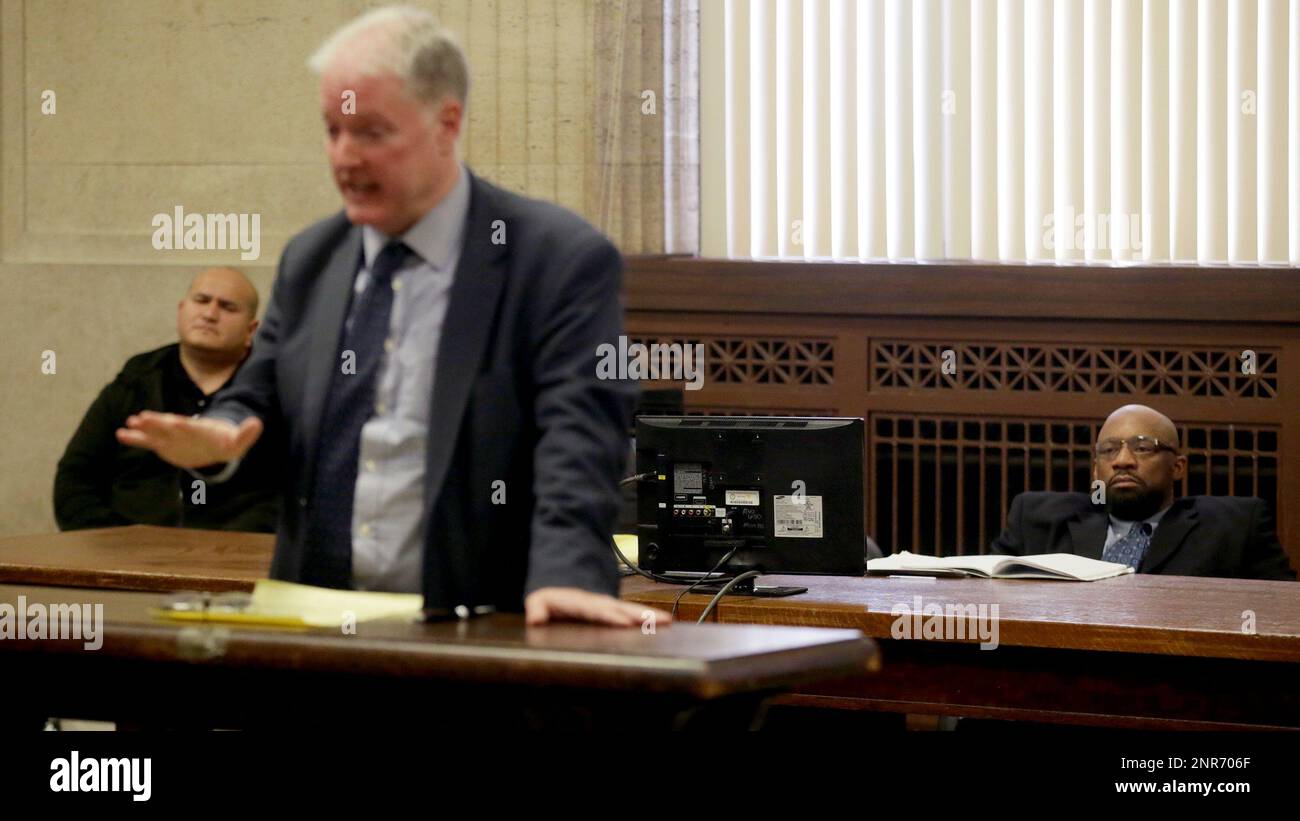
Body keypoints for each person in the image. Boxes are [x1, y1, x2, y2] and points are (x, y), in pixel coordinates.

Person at [117, 6, 671, 627]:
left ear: (446, 124)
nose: (344, 157)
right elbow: (259, 390)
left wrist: (567, 571)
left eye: (371, 132)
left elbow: (580, 433)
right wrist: (221, 433)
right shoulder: (313, 257)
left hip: (482, 629)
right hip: (317, 628)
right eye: (332, 130)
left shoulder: (554, 257)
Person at [54, 267, 280, 532]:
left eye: (228, 307)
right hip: (128, 553)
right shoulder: (137, 379)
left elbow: (301, 492)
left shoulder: (273, 388)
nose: (210, 314)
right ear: (182, 309)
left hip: (240, 559)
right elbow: (76, 477)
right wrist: (108, 543)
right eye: (202, 300)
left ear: (251, 329)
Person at [990, 404, 1295, 580]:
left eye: (1143, 448)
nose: (1123, 461)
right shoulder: (1035, 517)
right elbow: (983, 588)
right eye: (1109, 450)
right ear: (1096, 470)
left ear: (1178, 466)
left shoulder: (1236, 527)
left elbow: (1285, 613)